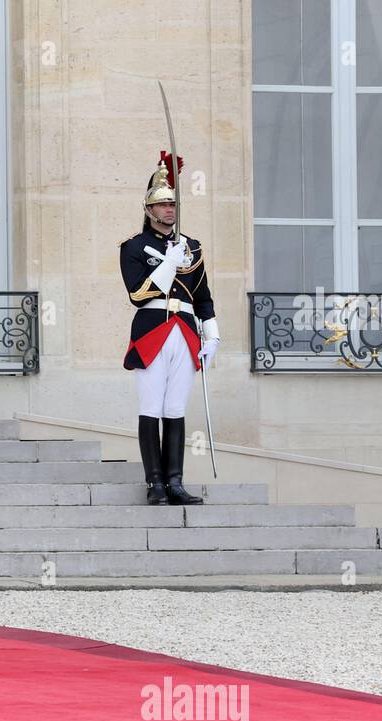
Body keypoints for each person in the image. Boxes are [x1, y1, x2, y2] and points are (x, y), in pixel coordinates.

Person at [119, 152, 220, 506]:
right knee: (152, 405)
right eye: (161, 204)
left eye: (172, 204)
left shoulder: (191, 247)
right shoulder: (133, 246)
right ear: (148, 210)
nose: (169, 210)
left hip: (186, 329)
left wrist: (213, 333)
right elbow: (138, 293)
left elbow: (203, 295)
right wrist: (167, 265)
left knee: (175, 408)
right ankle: (155, 483)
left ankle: (175, 481)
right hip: (153, 329)